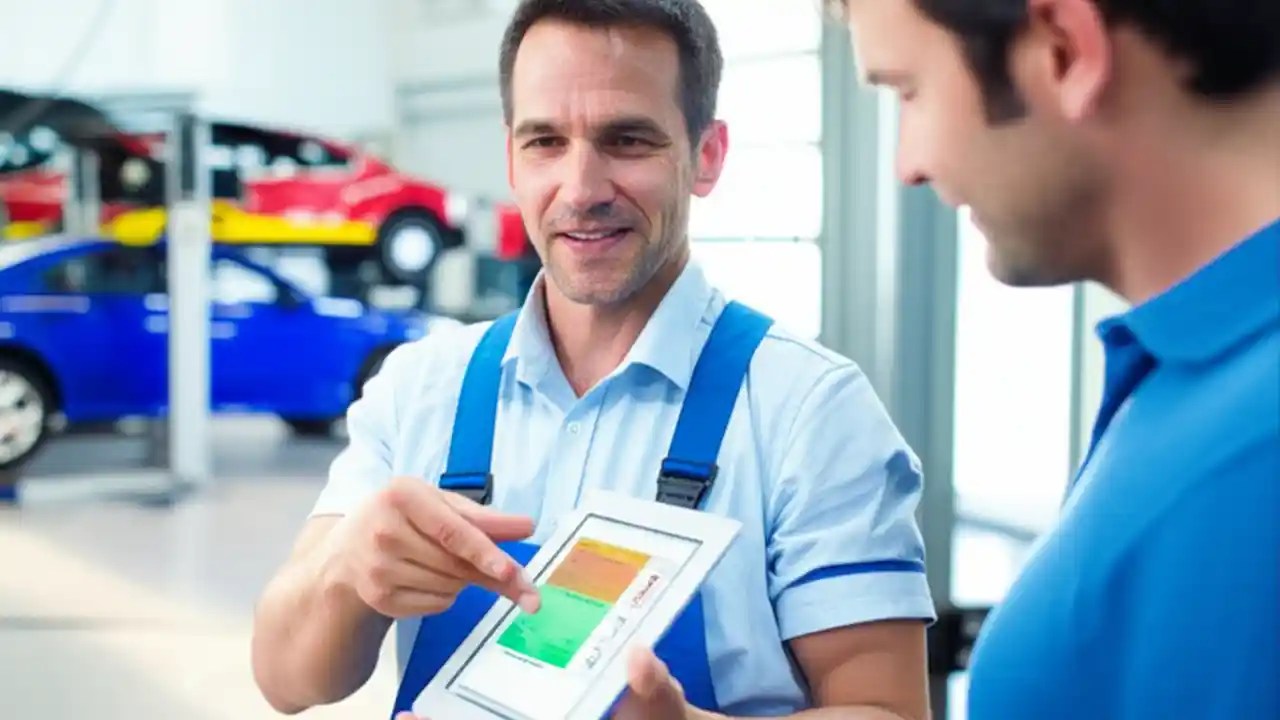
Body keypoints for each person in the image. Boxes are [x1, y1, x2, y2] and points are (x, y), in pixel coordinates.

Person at [251, 1, 938, 718]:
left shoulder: (809, 412)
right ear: (511, 155)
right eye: (545, 141)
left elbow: (886, 709)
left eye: (628, 140)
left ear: (707, 155)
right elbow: (285, 680)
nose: (580, 190)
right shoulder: (421, 389)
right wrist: (346, 573)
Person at [831, 0, 1280, 717]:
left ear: (1066, 50)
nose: (907, 165)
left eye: (910, 91)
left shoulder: (1255, 457)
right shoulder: (1192, 379)